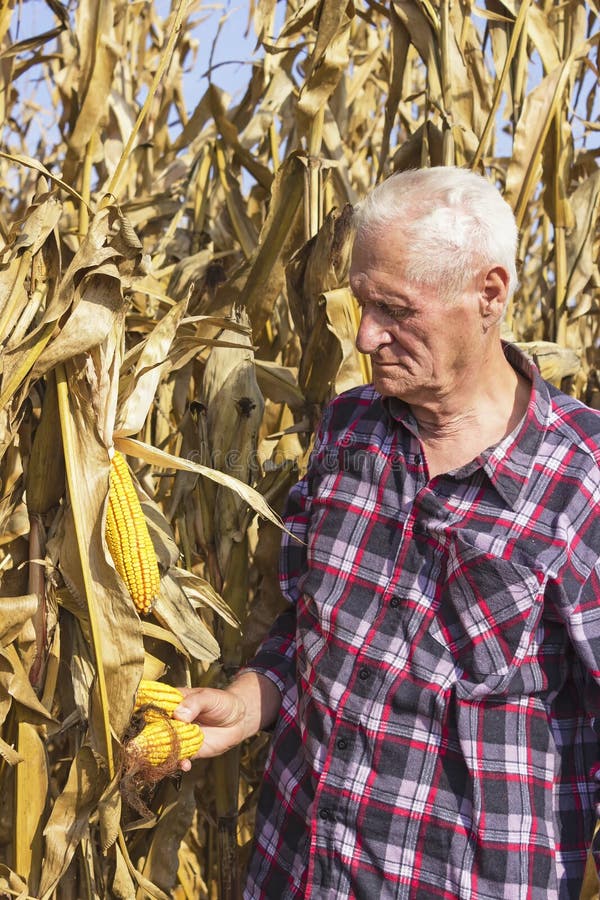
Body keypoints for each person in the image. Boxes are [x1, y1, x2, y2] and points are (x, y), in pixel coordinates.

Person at [174, 166, 600, 899]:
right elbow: (306, 627)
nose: (367, 334)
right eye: (362, 303)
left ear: (489, 295)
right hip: (296, 872)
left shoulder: (580, 484)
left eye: (395, 309)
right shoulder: (349, 431)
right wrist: (247, 704)